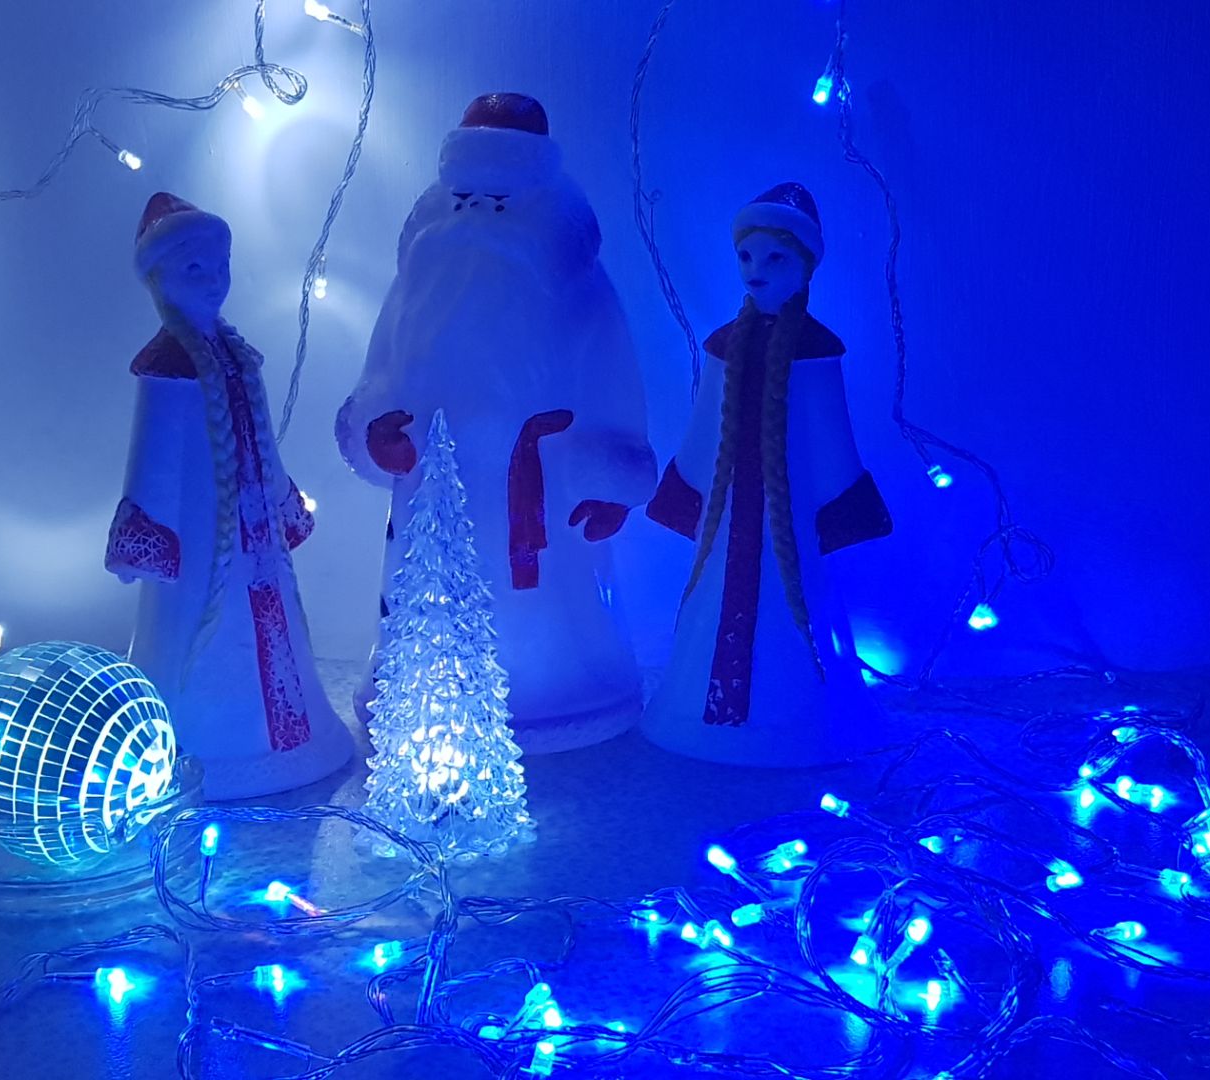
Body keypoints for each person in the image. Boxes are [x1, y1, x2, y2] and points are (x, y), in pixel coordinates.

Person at [337, 93, 657, 753]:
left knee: (544, 600)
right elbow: (381, 373)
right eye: (462, 199)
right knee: (424, 588)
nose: (477, 215)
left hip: (543, 484)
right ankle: (423, 693)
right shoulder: (414, 285)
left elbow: (614, 380)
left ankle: (555, 691)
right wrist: (376, 431)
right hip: (430, 478)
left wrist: (610, 478)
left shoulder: (583, 293)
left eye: (501, 203)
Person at [106, 192, 351, 798]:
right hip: (198, 543)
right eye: (195, 267)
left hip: (256, 533)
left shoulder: (239, 358)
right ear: (159, 276)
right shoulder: (167, 368)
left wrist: (282, 500)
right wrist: (145, 535)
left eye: (221, 266)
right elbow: (153, 459)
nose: (213, 280)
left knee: (270, 621)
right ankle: (200, 747)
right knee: (203, 635)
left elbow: (262, 442)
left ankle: (288, 737)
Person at [639, 183, 893, 766]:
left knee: (791, 602)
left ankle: (793, 718)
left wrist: (842, 508)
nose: (756, 270)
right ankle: (709, 716)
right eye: (746, 256)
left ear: (804, 263)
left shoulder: (818, 350)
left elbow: (831, 437)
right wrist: (686, 493)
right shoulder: (723, 346)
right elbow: (705, 428)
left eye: (774, 257)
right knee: (716, 596)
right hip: (727, 516)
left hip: (792, 518)